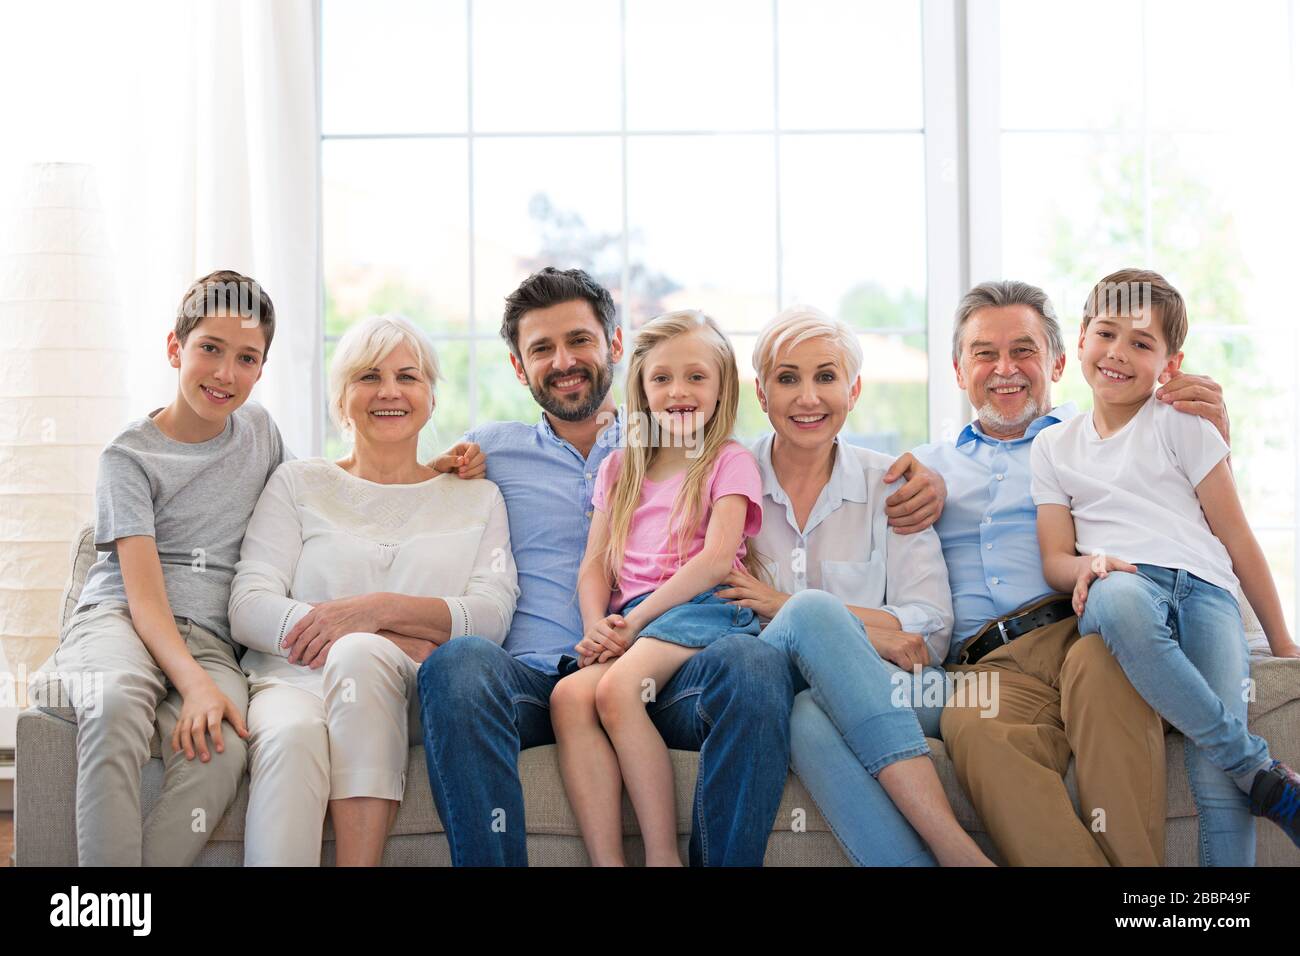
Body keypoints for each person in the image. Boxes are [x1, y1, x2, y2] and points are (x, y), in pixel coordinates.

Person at [417, 268, 794, 866]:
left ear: (616, 347)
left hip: (671, 665)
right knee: (458, 666)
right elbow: (393, 488)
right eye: (542, 348)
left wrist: (919, 472)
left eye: (579, 340)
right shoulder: (491, 450)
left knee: (754, 663)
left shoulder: (691, 446)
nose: (563, 360)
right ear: (519, 367)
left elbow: (794, 457)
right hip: (546, 675)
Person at [922, 278, 1232, 866]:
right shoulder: (919, 470)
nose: (1004, 368)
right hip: (989, 661)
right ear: (959, 370)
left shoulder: (1101, 435)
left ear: (1061, 362)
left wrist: (1220, 439)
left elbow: (1195, 530)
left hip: (1084, 624)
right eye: (984, 353)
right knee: (973, 721)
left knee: (1105, 667)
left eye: (1024, 350)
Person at [228, 314, 517, 866]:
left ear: (431, 396)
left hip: (409, 695)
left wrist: (373, 614)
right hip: (294, 682)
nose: (389, 391)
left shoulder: (477, 498)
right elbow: (249, 604)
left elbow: (490, 614)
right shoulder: (298, 482)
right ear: (341, 399)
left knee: (363, 651)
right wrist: (377, 632)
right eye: (368, 376)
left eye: (408, 376)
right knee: (291, 742)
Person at [1033, 268, 1300, 865]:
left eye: (1141, 343)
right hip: (1119, 581)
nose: (1118, 354)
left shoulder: (1183, 423)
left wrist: (1282, 639)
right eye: (1106, 333)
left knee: (1216, 781)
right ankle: (1263, 771)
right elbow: (1055, 557)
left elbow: (1236, 538)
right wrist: (1089, 566)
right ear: (1079, 339)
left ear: (1170, 364)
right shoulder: (1052, 446)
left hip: (1205, 592)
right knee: (1119, 596)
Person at [715, 305, 991, 866]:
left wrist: (792, 609)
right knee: (805, 707)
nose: (808, 397)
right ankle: (956, 852)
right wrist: (874, 629)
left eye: (826, 376)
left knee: (811, 654)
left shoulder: (893, 484)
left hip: (902, 688)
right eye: (787, 379)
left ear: (854, 389)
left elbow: (931, 629)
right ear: (762, 396)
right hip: (780, 684)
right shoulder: (728, 484)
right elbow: (725, 610)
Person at [33, 270, 285, 865]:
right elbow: (145, 602)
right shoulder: (128, 457)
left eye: (246, 358)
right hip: (120, 618)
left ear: (261, 367)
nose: (226, 373)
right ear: (176, 348)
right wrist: (194, 685)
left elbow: (317, 497)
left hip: (209, 637)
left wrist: (421, 473)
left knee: (223, 746)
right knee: (116, 701)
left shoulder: (260, 431)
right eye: (210, 349)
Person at [548, 310, 766, 866]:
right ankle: (607, 860)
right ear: (642, 391)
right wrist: (599, 623)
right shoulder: (619, 468)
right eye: (662, 378)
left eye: (696, 377)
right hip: (634, 620)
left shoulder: (727, 461)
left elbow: (718, 560)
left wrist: (635, 624)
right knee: (569, 697)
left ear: (722, 389)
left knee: (616, 693)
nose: (679, 391)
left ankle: (662, 856)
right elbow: (594, 565)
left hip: (701, 608)